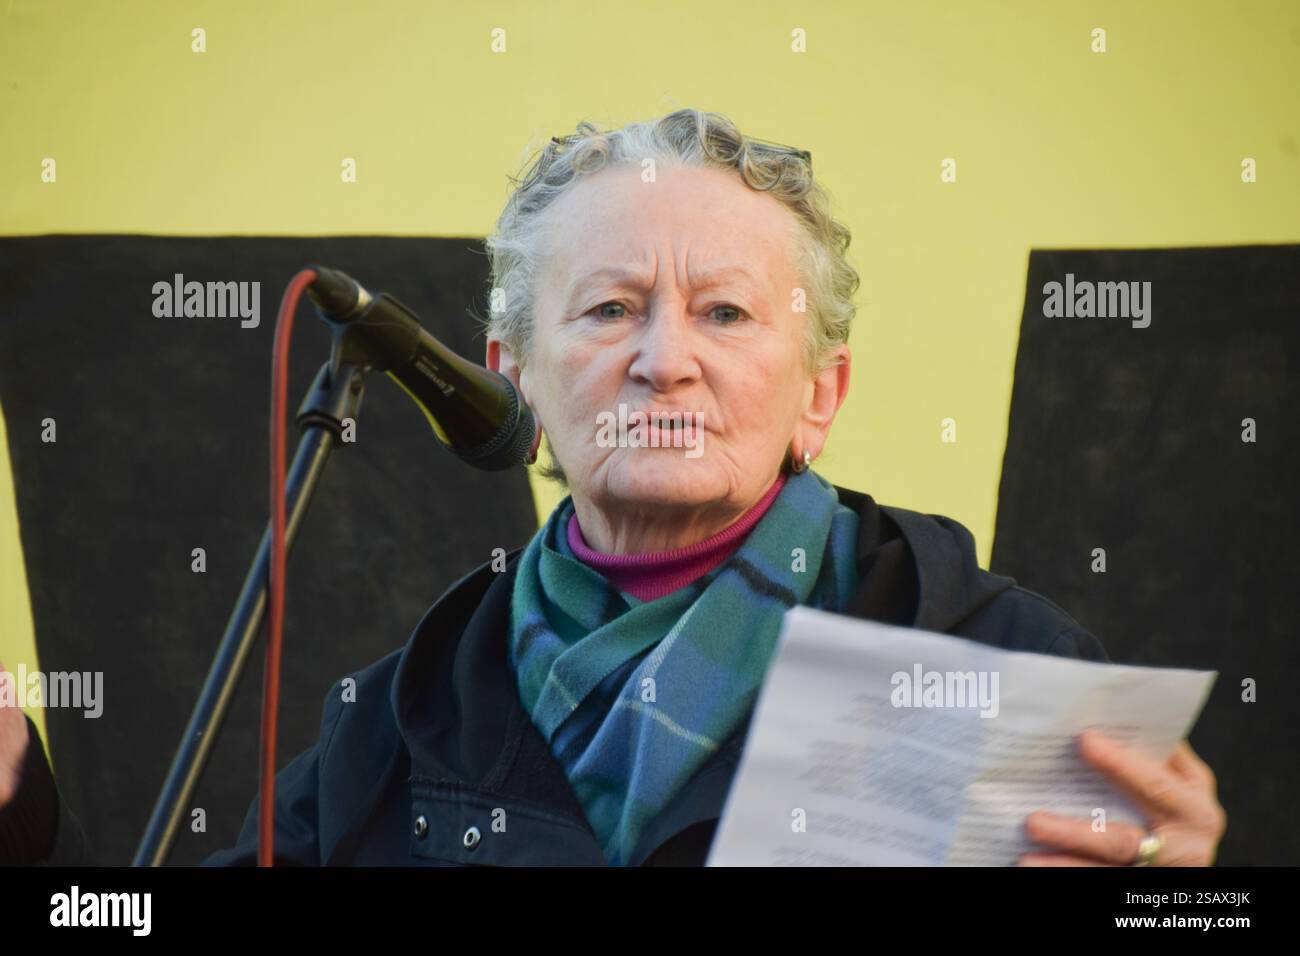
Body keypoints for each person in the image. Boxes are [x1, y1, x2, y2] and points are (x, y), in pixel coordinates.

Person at [0, 108, 1226, 867]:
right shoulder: (410, 705)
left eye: (727, 312)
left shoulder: (992, 658)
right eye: (607, 309)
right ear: (512, 371)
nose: (663, 355)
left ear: (820, 393)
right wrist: (21, 816)